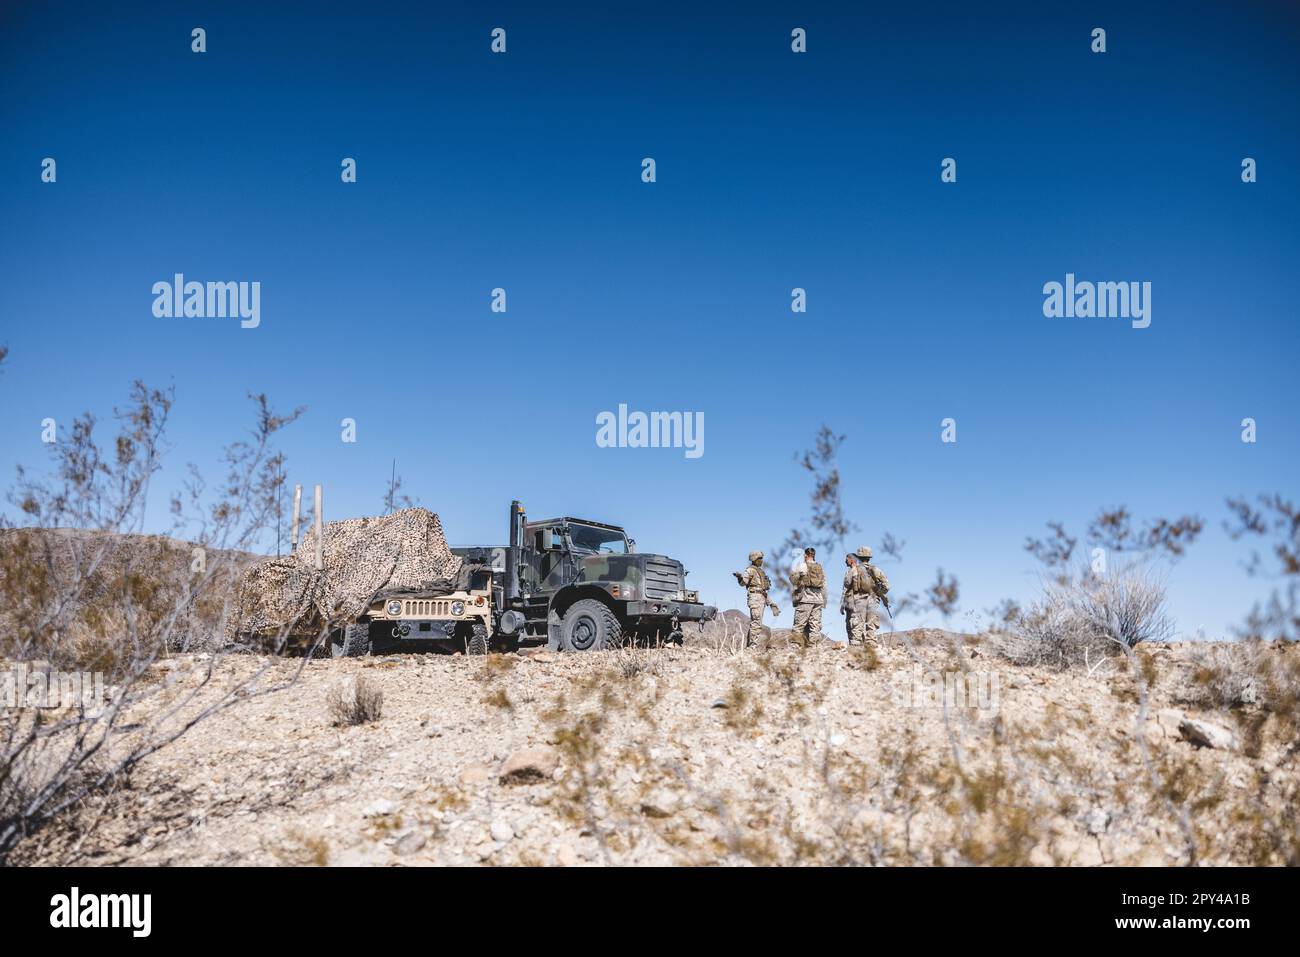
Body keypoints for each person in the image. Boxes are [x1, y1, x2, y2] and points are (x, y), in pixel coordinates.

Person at [734, 550, 779, 646]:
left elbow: (763, 590)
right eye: (760, 558)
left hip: (761, 598)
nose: (762, 561)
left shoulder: (760, 571)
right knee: (756, 622)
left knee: (758, 623)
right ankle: (752, 646)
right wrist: (739, 577)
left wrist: (771, 604)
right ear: (754, 559)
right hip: (755, 598)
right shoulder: (750, 570)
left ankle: (754, 646)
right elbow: (743, 583)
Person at [790, 546, 826, 648]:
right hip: (818, 599)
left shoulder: (802, 566)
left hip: (806, 599)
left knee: (799, 624)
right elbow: (824, 585)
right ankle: (813, 647)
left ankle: (795, 646)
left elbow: (794, 580)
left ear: (806, 555)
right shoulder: (820, 567)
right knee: (815, 625)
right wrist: (824, 601)